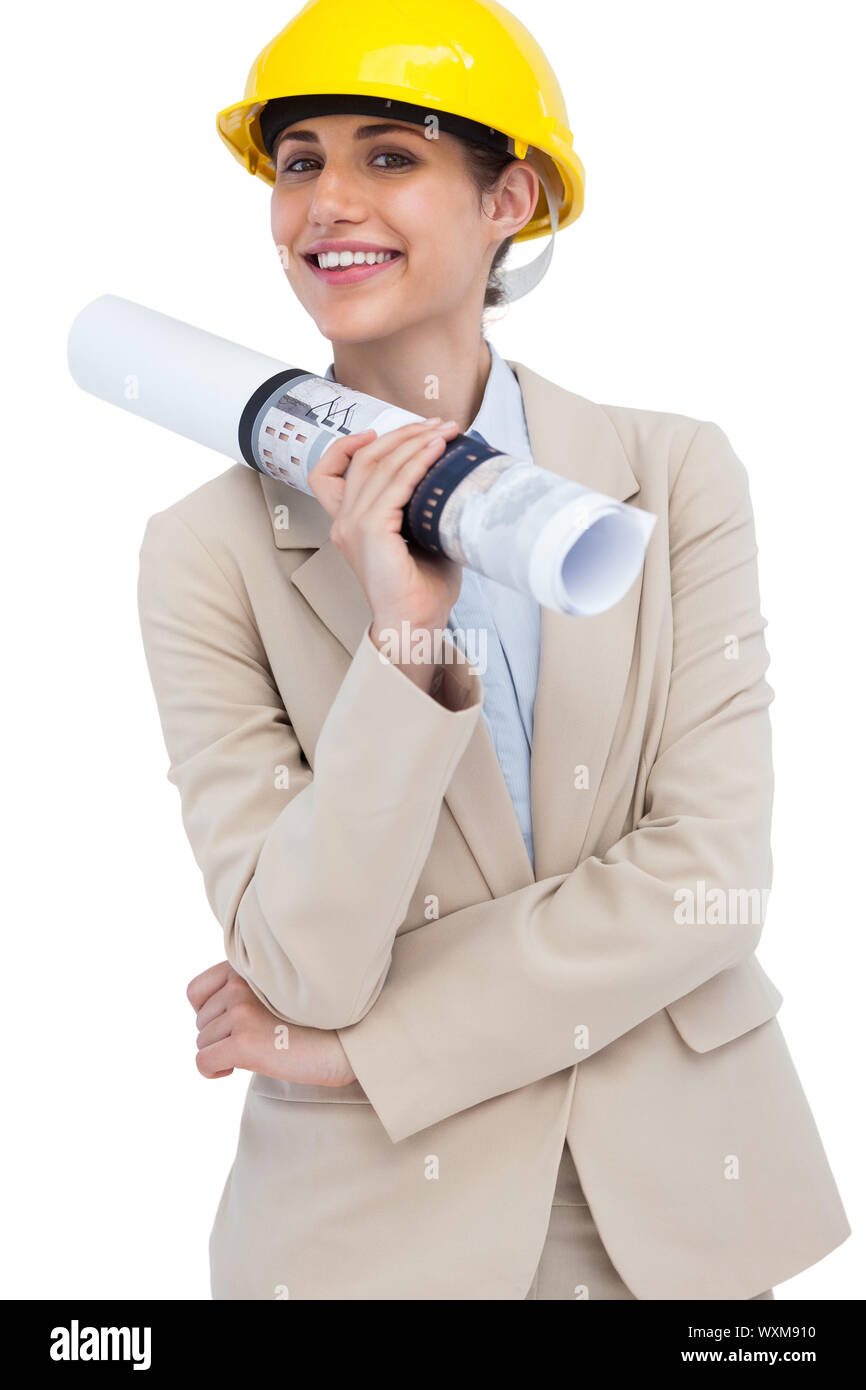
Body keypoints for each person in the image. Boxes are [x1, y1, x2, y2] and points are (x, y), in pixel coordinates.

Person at [137, 0, 850, 1300]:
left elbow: (712, 873)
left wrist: (375, 1040)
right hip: (367, 1239)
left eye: (388, 156)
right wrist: (406, 642)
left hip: (683, 1212)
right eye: (298, 161)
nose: (325, 205)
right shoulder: (206, 553)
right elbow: (301, 964)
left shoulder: (668, 475)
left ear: (509, 194)